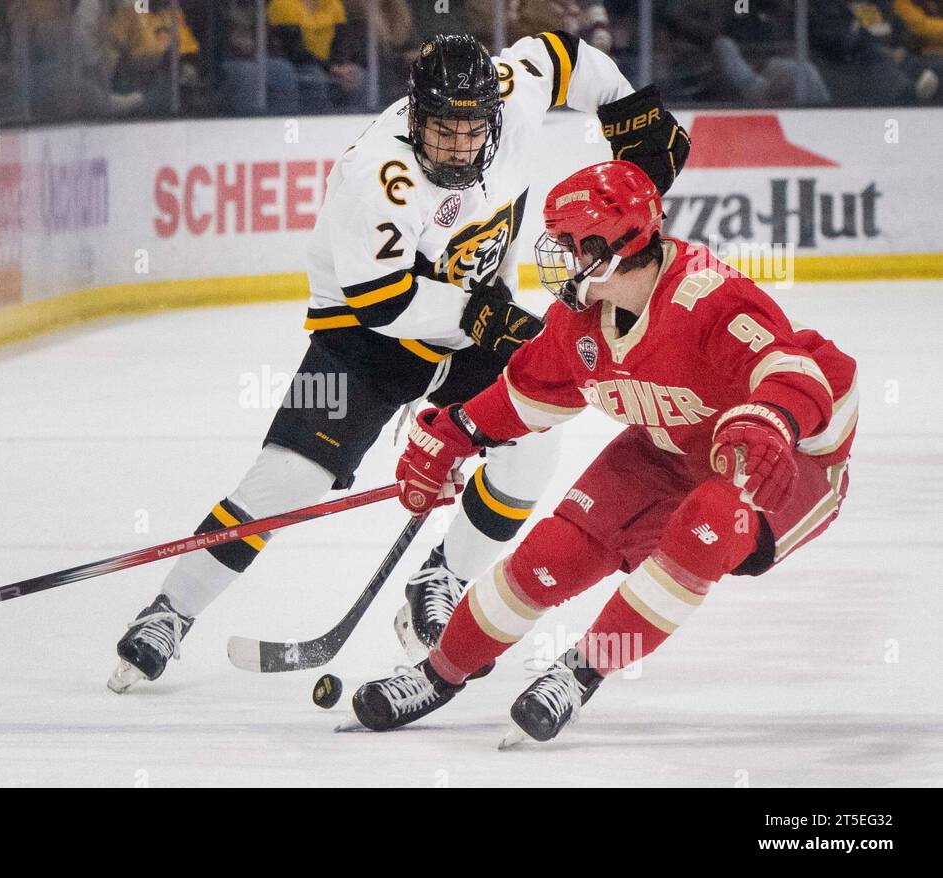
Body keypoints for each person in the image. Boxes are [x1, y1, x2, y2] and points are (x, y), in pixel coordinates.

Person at [108, 33, 690, 694]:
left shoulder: (514, 94)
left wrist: (629, 111)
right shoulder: (377, 178)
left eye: (470, 132)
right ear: (415, 118)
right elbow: (384, 302)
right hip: (362, 333)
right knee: (284, 483)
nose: (455, 148)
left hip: (472, 319)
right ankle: (171, 611)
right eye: (440, 131)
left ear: (494, 115)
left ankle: (443, 576)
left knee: (532, 447)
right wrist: (479, 315)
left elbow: (565, 56)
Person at [354, 160, 858, 744]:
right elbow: (526, 394)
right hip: (670, 446)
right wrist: (456, 431)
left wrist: (773, 417)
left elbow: (797, 369)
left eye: (568, 243)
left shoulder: (709, 300)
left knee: (708, 525)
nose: (558, 257)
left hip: (783, 456)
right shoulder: (581, 322)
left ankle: (580, 672)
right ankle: (437, 673)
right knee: (557, 549)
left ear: (607, 245)